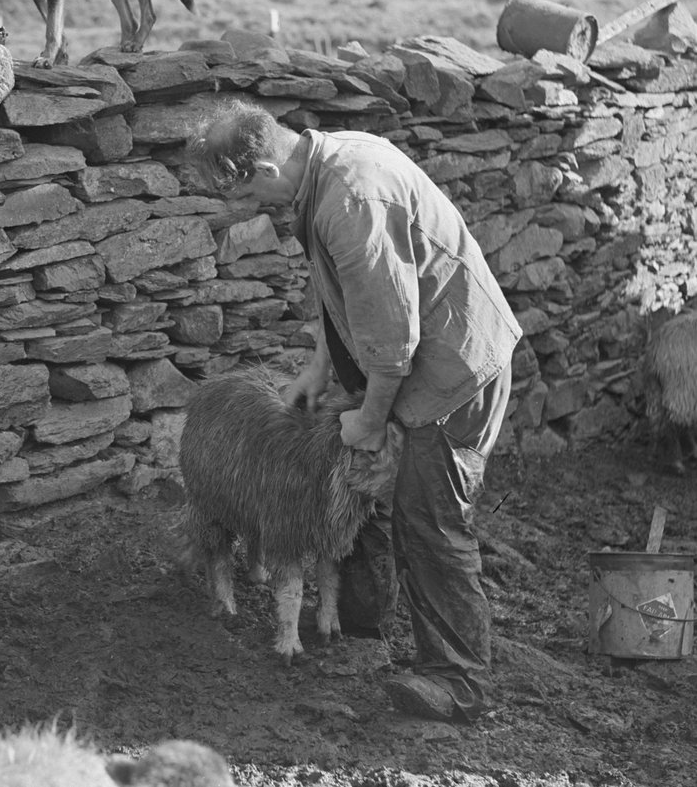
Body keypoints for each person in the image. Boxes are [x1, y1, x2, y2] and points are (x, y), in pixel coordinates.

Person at [190, 101, 521, 723]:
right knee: (365, 499)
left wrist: (369, 421)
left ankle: (458, 681)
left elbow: (394, 340)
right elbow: (334, 284)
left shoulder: (351, 199)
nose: (260, 210)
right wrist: (320, 365)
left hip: (449, 373)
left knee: (432, 521)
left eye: (254, 195)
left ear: (264, 163)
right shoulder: (317, 170)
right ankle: (362, 635)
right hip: (413, 363)